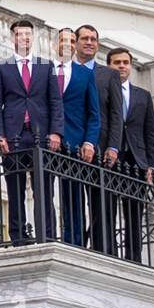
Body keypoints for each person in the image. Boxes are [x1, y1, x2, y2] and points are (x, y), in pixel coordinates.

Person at [0, 18, 63, 246]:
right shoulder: (1, 67)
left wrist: (56, 132)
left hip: (41, 135)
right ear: (13, 38)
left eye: (29, 34)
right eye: (20, 34)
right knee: (15, 190)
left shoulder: (46, 66)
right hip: (14, 135)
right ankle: (18, 238)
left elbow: (55, 100)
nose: (25, 38)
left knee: (44, 189)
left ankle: (47, 235)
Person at [74, 24, 124, 254]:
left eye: (93, 39)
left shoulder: (109, 74)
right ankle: (74, 244)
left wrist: (113, 146)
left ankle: (103, 249)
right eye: (85, 38)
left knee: (102, 203)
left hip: (101, 148)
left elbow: (116, 114)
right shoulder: (64, 70)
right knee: (72, 198)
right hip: (72, 145)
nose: (89, 42)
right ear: (75, 42)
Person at [52, 28, 101, 247]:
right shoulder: (44, 71)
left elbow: (94, 114)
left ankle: (75, 243)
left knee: (74, 198)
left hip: (74, 144)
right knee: (44, 194)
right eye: (63, 40)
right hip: (47, 141)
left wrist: (89, 142)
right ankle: (49, 237)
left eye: (72, 41)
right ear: (55, 44)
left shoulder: (86, 74)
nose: (68, 45)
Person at [109, 47, 154, 262]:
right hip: (112, 156)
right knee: (108, 205)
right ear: (109, 65)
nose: (121, 66)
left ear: (130, 66)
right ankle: (109, 251)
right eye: (117, 62)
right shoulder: (105, 91)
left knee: (135, 211)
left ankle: (134, 256)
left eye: (125, 62)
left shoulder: (143, 95)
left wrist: (151, 165)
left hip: (136, 159)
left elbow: (150, 132)